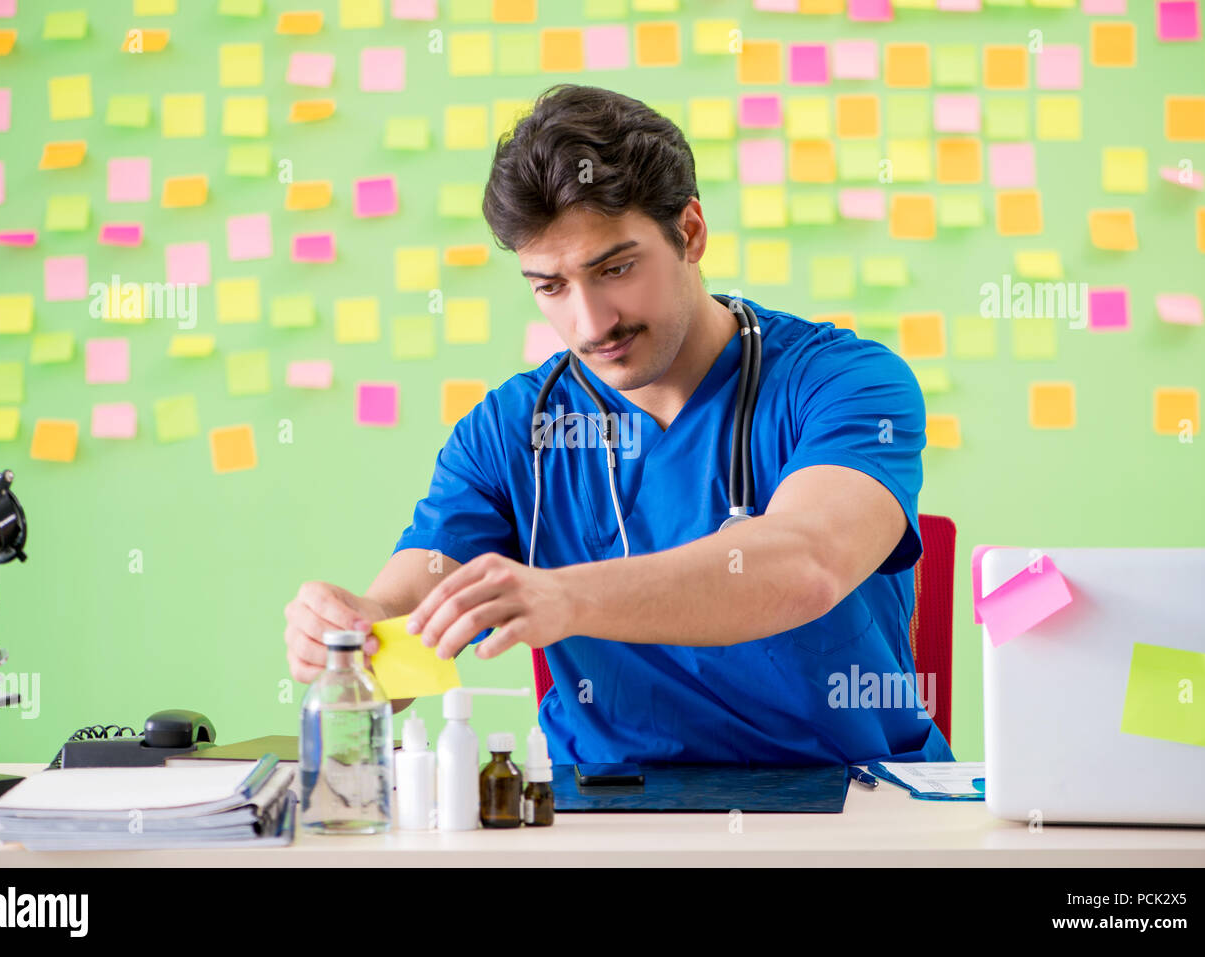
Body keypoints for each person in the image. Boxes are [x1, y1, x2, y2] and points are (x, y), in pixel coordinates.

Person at [285, 84, 953, 766]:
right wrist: (350, 639)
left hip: (853, 804)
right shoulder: (513, 430)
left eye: (617, 268)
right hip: (607, 817)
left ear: (690, 232)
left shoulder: (845, 382)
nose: (590, 322)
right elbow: (410, 615)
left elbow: (806, 564)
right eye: (550, 286)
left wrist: (564, 596)